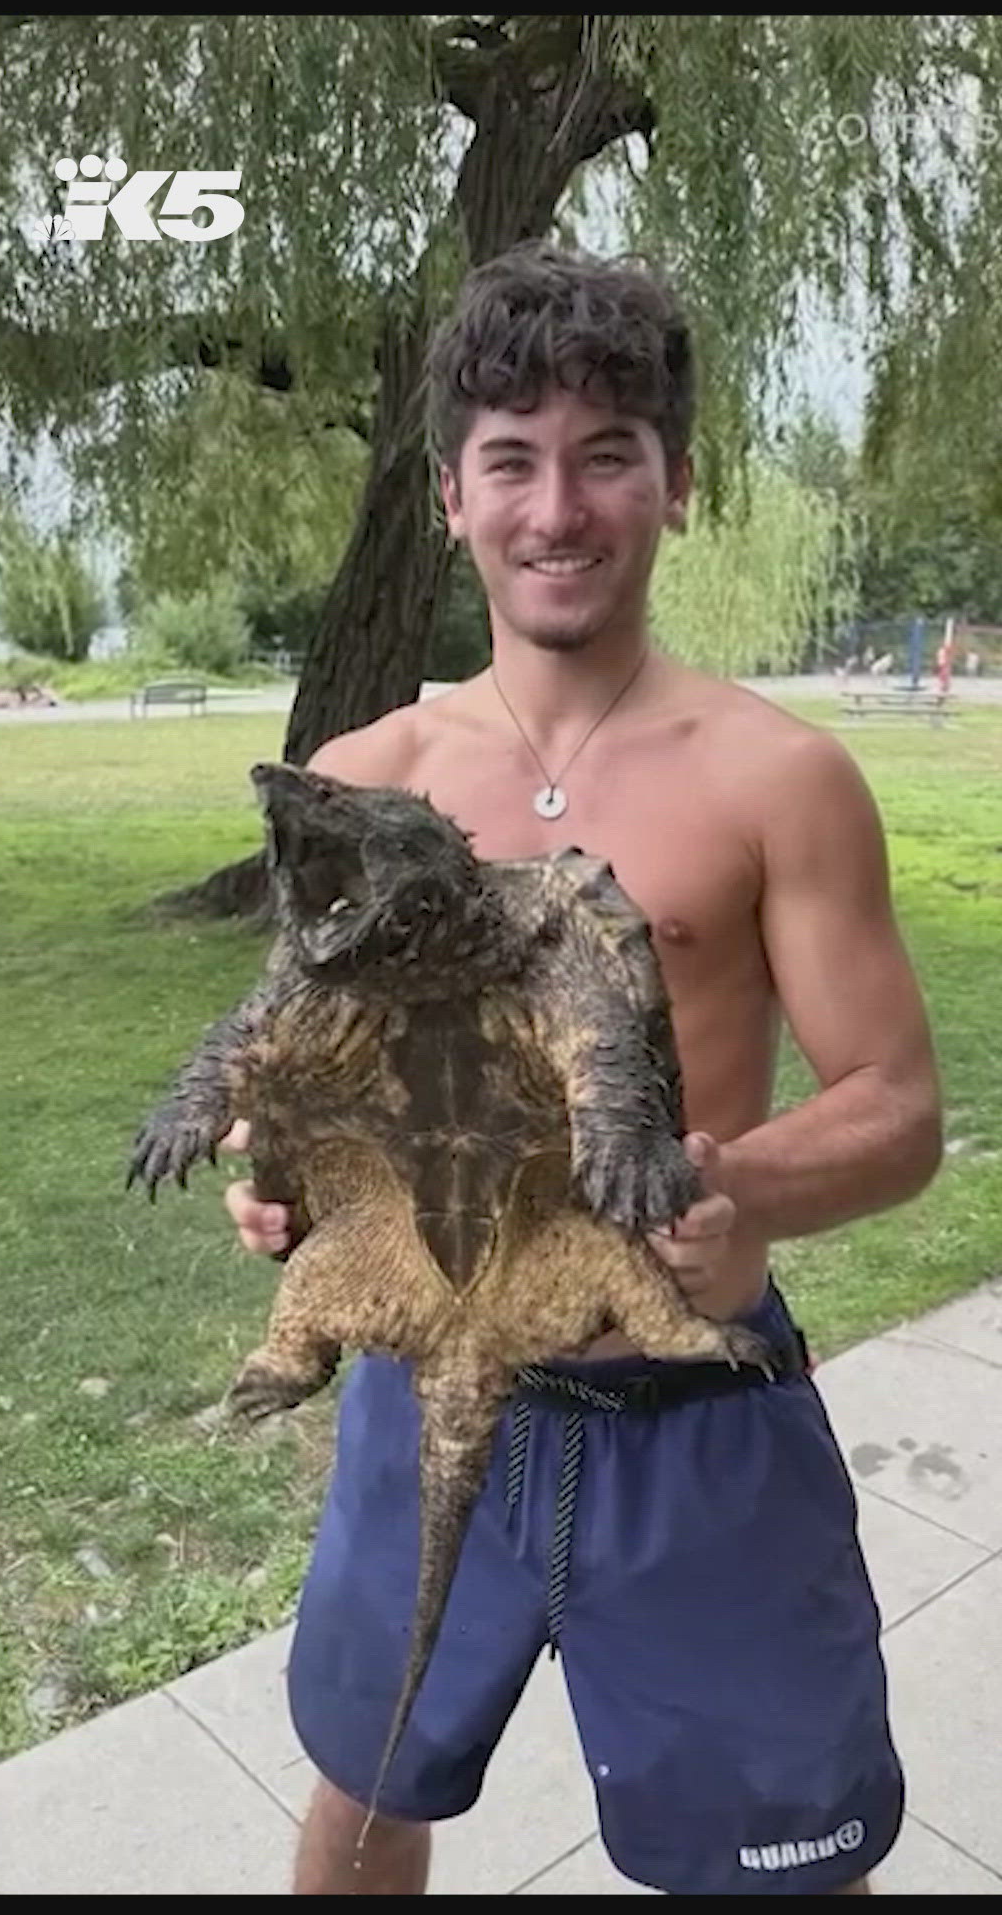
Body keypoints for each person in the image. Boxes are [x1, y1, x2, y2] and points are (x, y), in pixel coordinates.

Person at [222, 242, 942, 1896]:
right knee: (362, 1796)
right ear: (453, 498)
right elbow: (300, 1070)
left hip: (692, 1419)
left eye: (608, 452)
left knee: (779, 1864)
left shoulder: (779, 777)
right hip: (425, 1408)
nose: (560, 506)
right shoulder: (366, 777)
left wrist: (738, 1183)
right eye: (514, 460)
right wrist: (280, 1186)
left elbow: (898, 1109)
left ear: (676, 483)